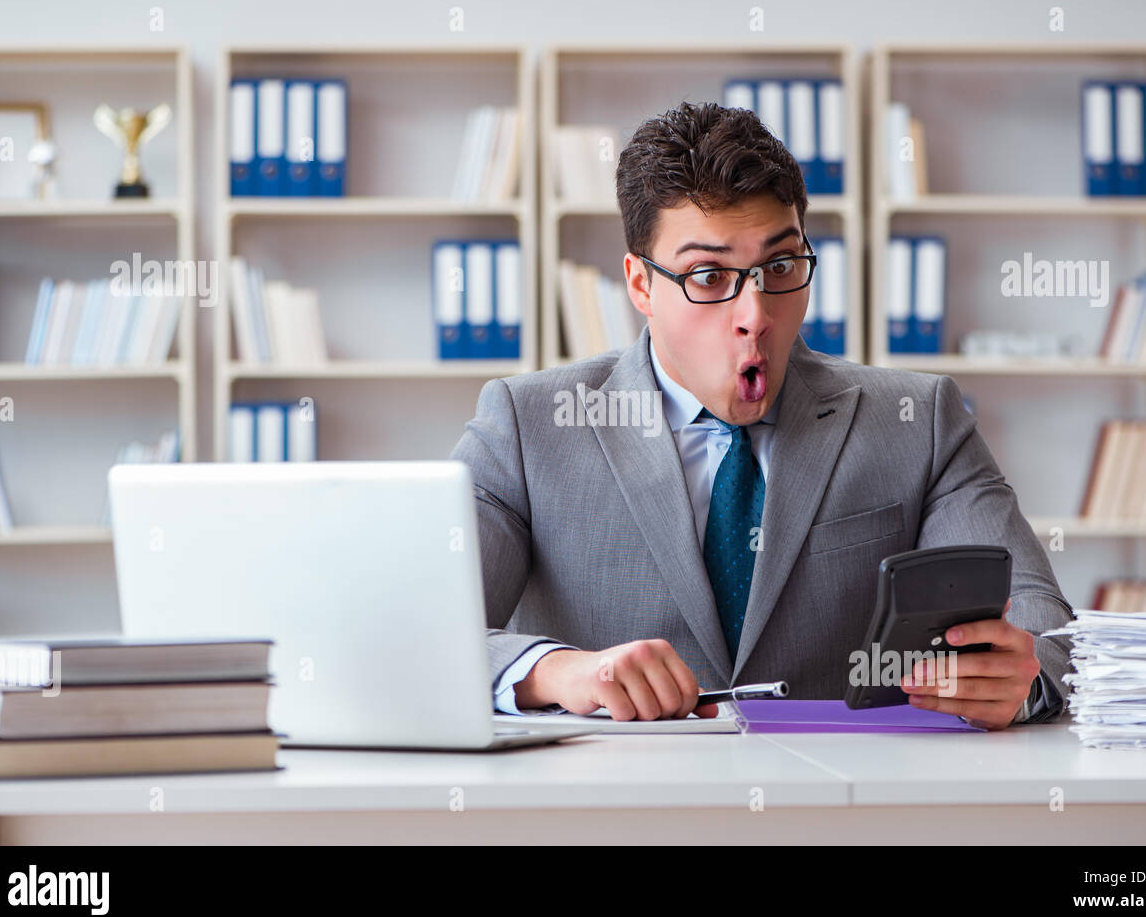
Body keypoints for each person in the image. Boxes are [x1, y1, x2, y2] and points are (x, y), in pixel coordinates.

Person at [451, 100, 1072, 729]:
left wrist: (1023, 679)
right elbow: (414, 628)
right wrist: (555, 671)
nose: (755, 313)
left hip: (843, 811)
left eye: (779, 267)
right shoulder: (528, 426)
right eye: (708, 275)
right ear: (640, 285)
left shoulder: (920, 420)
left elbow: (1047, 626)